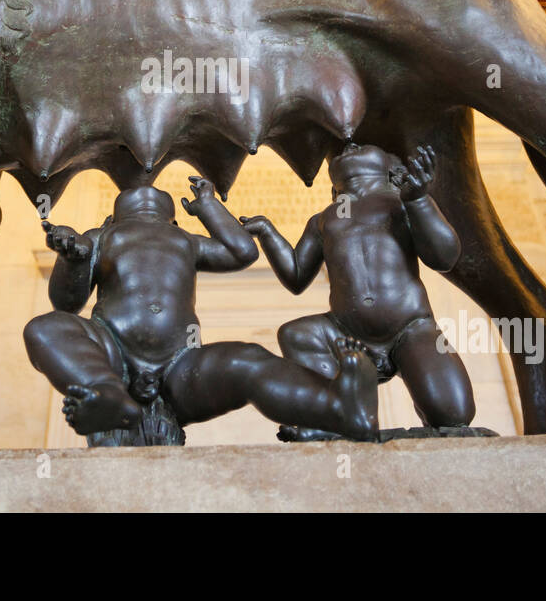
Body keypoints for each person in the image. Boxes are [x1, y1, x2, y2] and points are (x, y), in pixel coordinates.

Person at [24, 178, 378, 445]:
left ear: (175, 224)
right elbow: (66, 303)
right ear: (109, 221)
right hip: (112, 357)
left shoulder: (186, 241)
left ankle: (339, 409)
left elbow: (242, 252)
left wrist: (209, 206)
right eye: (133, 216)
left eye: (157, 216)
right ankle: (107, 392)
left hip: (181, 366)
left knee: (248, 361)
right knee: (45, 328)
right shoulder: (99, 238)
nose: (148, 217)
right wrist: (73, 258)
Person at [240, 144, 476, 438]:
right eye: (345, 148)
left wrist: (419, 200)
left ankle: (348, 416)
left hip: (410, 328)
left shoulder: (401, 202)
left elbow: (445, 257)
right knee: (297, 333)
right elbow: (297, 276)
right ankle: (333, 418)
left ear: (388, 169)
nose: (350, 145)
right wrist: (267, 232)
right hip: (346, 333)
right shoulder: (324, 220)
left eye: (362, 145)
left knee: (453, 415)